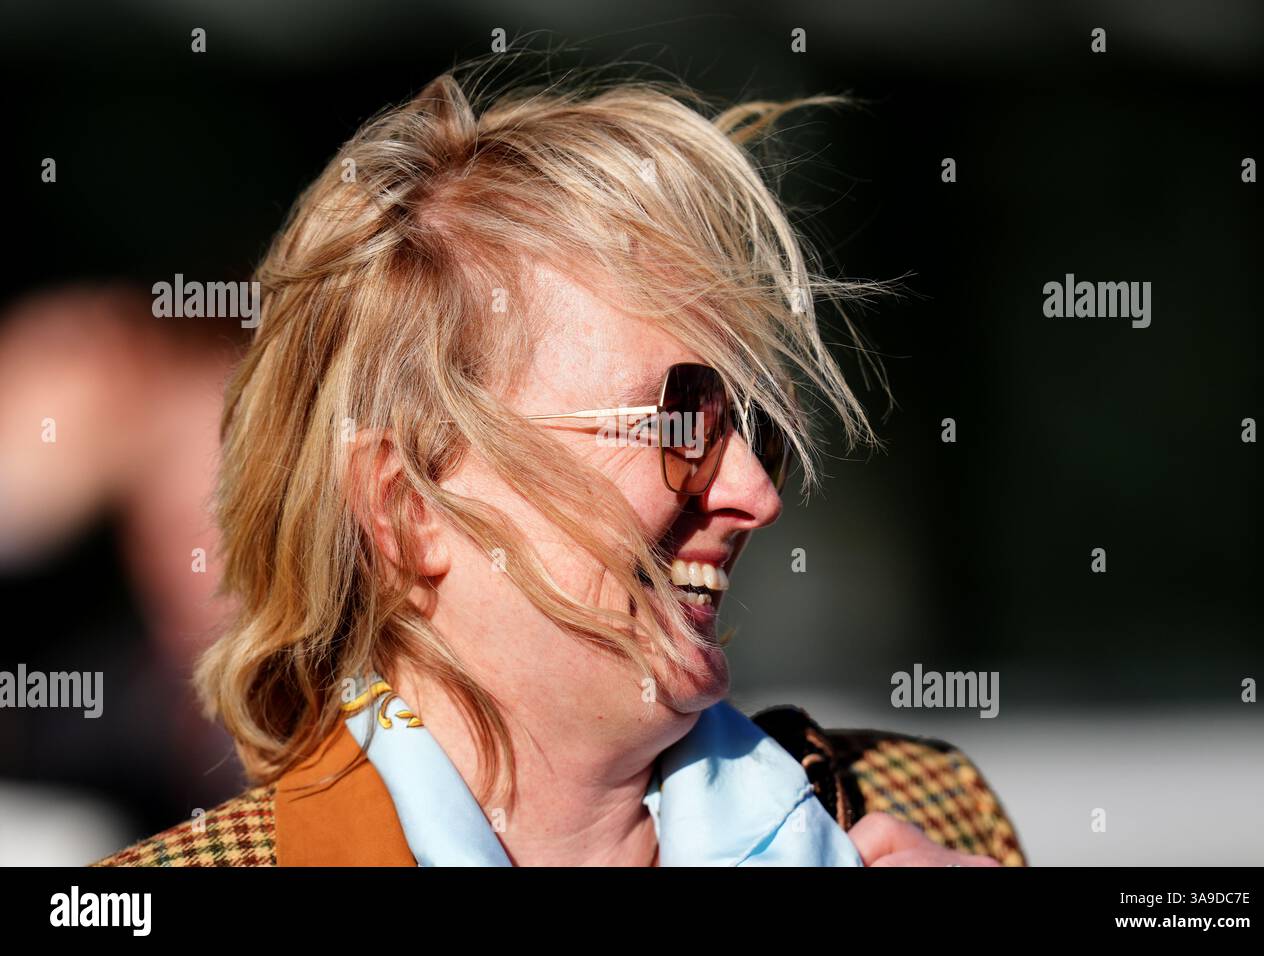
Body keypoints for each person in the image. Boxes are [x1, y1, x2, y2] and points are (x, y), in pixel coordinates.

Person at [95, 58, 1025, 867]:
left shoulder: (925, 812)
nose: (754, 494)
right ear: (409, 508)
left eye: (755, 428)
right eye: (680, 423)